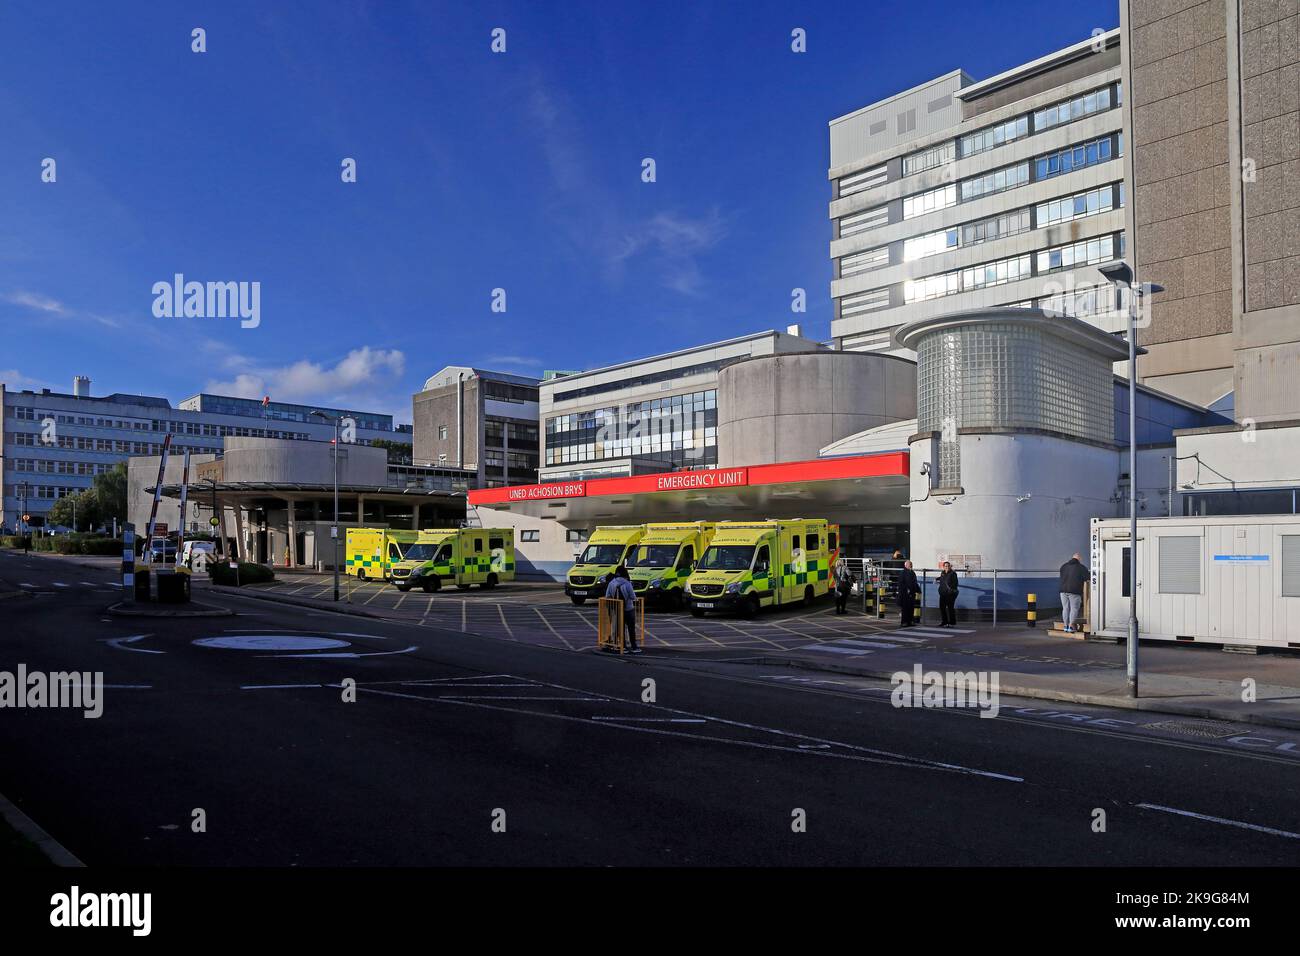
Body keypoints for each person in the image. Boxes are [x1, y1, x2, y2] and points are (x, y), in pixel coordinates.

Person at [604, 564, 640, 653]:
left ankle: (623, 647)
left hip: (617, 609)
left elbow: (607, 596)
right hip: (629, 608)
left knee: (621, 629)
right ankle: (634, 647)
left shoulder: (611, 583)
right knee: (631, 628)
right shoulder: (627, 583)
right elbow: (632, 596)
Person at [1059, 552, 1088, 633]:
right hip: (1074, 591)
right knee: (1074, 608)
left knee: (1065, 608)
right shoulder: (1081, 567)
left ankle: (1065, 626)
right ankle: (1071, 626)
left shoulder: (1063, 566)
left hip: (1063, 590)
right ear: (1079, 559)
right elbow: (1087, 577)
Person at [937, 561, 959, 627]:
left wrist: (950, 589)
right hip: (943, 593)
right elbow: (942, 578)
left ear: (950, 566)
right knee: (942, 608)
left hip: (950, 594)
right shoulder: (943, 573)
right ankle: (944, 622)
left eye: (948, 566)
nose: (947, 567)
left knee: (950, 608)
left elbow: (955, 583)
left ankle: (952, 622)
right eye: (945, 566)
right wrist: (936, 579)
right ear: (943, 567)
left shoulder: (953, 573)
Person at [897, 560, 919, 627]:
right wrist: (907, 589)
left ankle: (910, 621)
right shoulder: (903, 572)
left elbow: (915, 582)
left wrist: (918, 590)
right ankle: (904, 622)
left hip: (912, 593)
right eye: (910, 564)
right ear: (906, 565)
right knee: (905, 609)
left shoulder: (912, 572)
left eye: (911, 564)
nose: (911, 566)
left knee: (911, 608)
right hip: (905, 594)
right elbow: (901, 583)